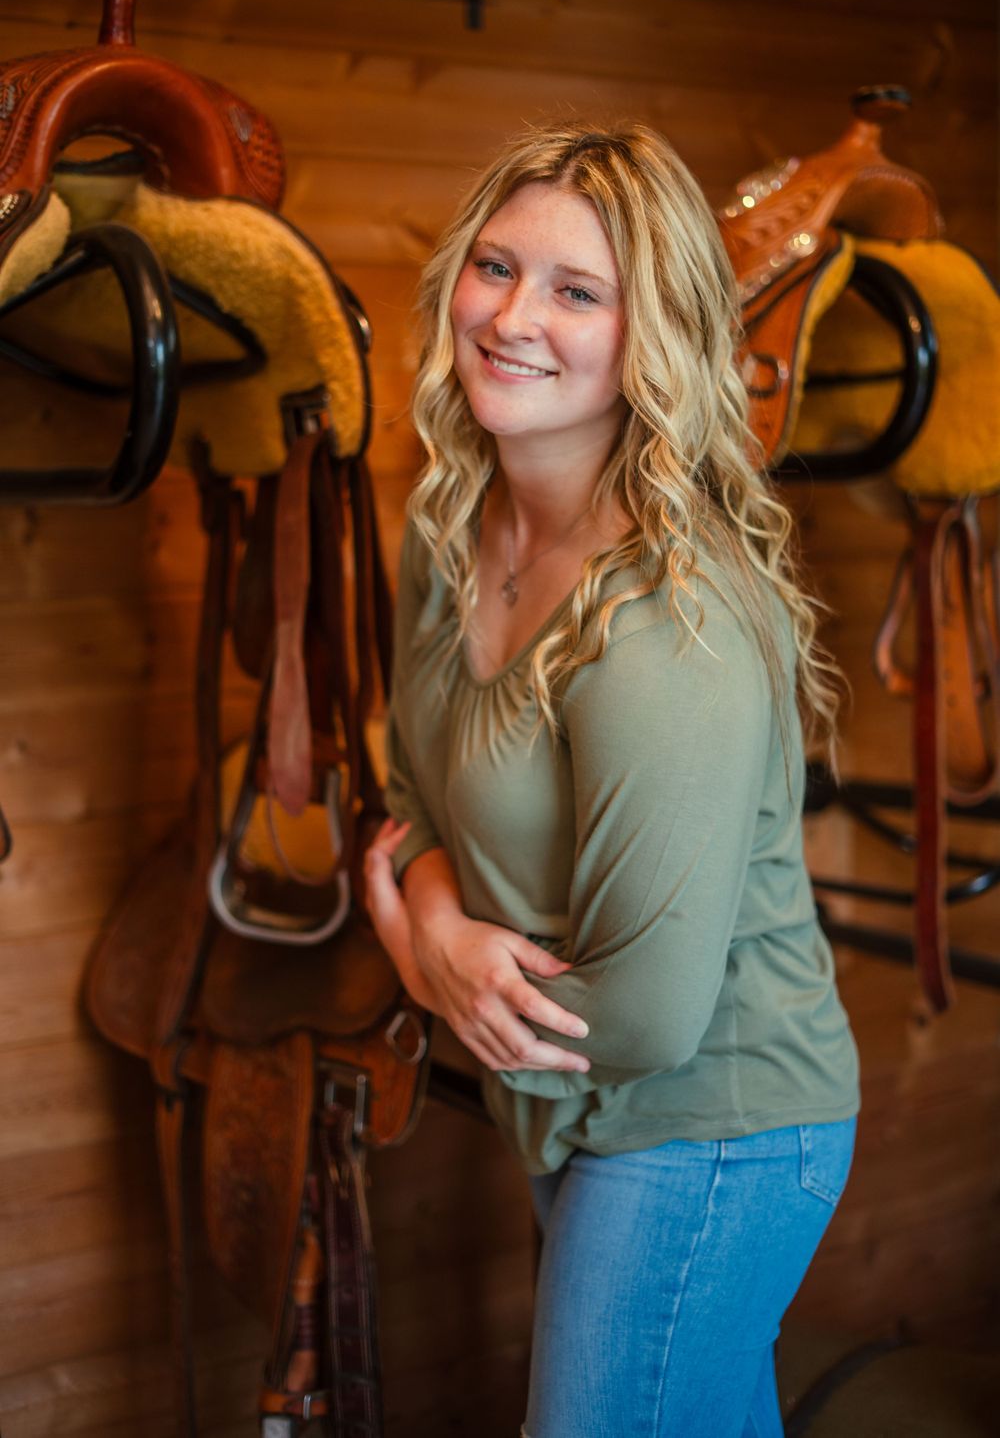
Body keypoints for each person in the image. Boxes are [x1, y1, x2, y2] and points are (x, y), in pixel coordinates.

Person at [364, 122, 860, 1438]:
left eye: (579, 292)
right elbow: (407, 789)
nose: (514, 317)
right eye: (496, 268)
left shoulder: (663, 620)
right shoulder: (442, 535)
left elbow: (639, 1019)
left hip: (711, 1124)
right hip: (575, 1102)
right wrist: (428, 906)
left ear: (653, 337)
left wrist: (425, 963)